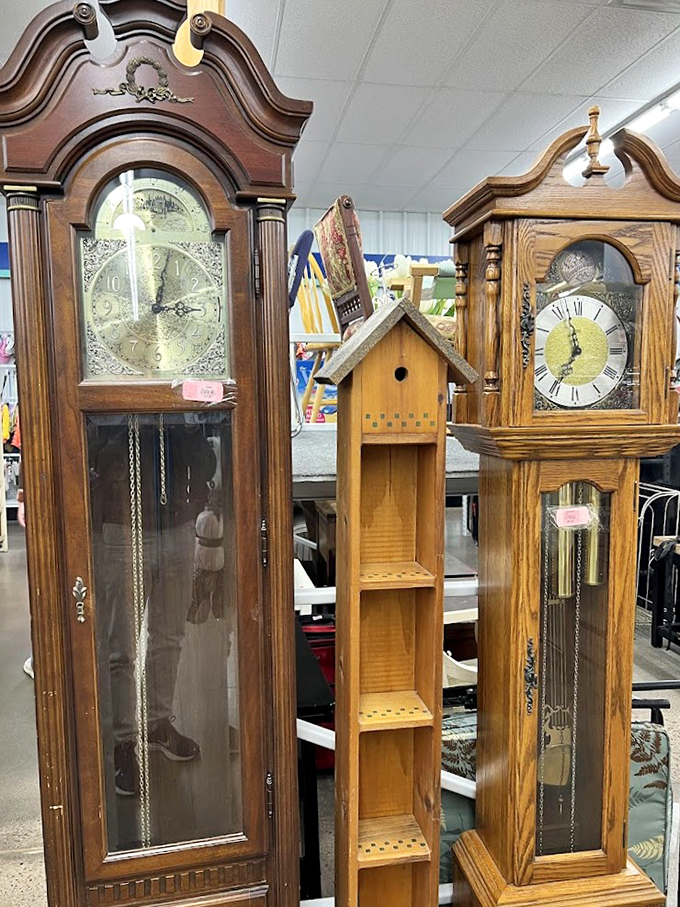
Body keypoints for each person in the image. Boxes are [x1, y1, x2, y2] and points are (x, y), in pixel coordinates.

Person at [90, 416, 216, 797]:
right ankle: (123, 743)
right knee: (120, 649)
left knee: (169, 637)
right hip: (123, 526)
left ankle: (156, 723)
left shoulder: (179, 404)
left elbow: (206, 460)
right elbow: (91, 447)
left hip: (177, 526)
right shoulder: (115, 403)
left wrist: (188, 427)